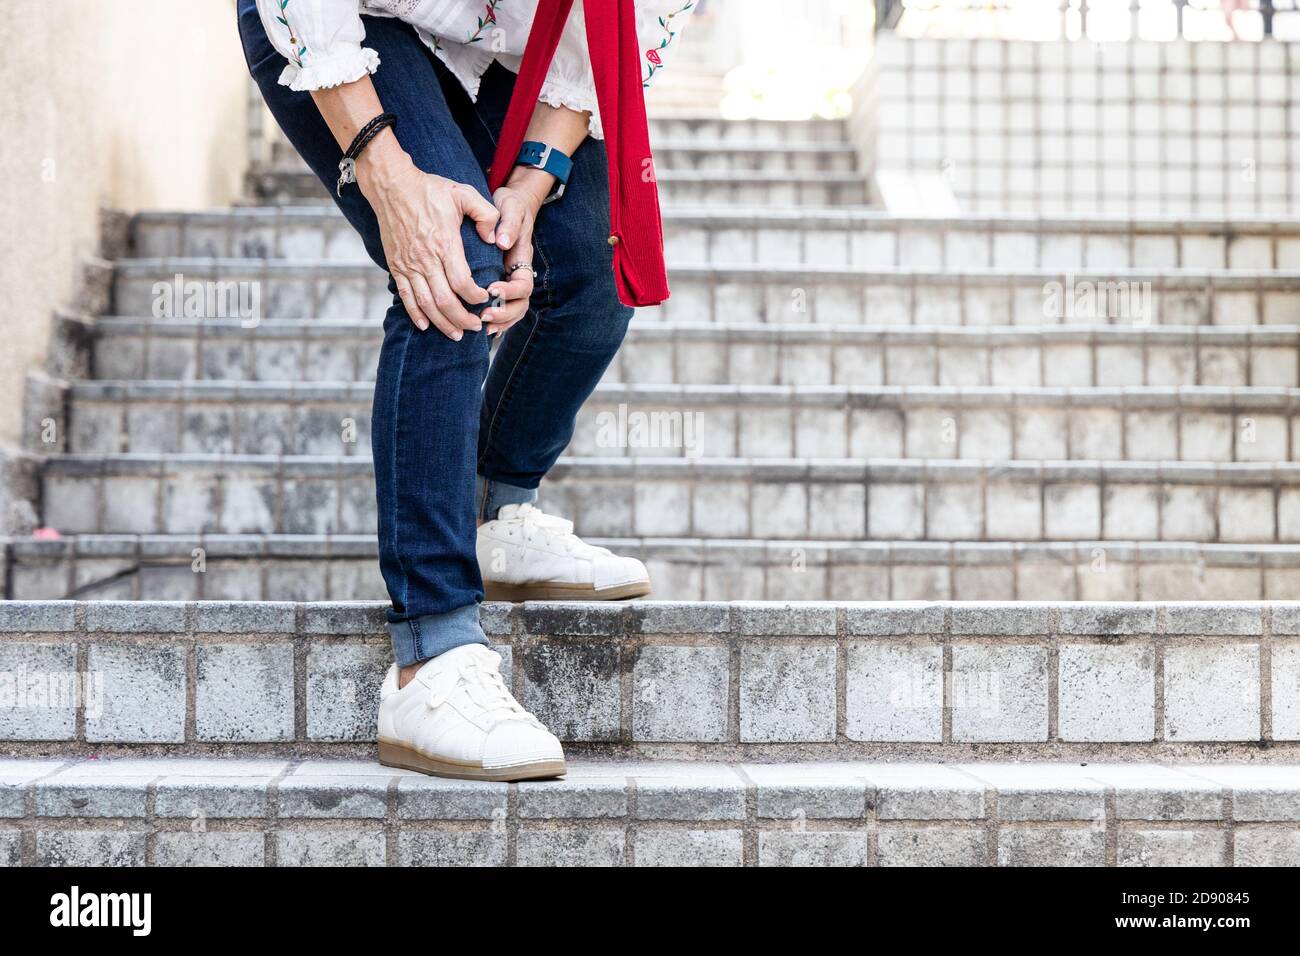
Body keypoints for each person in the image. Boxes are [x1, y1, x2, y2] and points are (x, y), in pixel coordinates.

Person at [237, 0, 694, 780]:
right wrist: (387, 172)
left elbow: (613, 30)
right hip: (344, 22)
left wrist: (533, 181)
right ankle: (431, 653)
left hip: (507, 51)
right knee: (456, 269)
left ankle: (493, 508)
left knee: (589, 265)